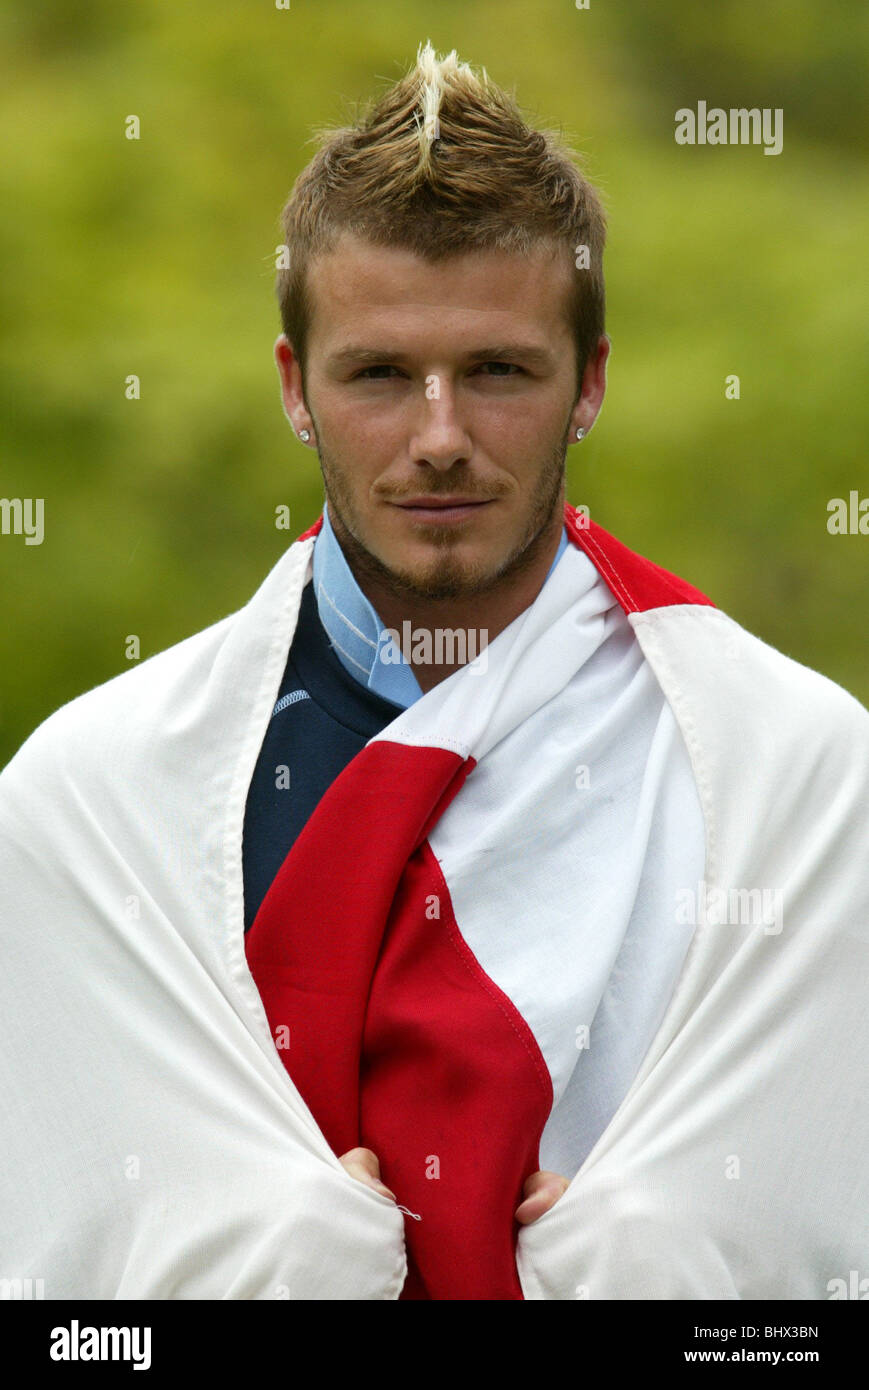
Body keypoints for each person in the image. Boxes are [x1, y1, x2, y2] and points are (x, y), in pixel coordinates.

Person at [1, 41, 867, 1302]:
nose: (440, 437)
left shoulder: (802, 772)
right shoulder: (89, 799)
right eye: (379, 376)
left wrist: (668, 1282)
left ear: (591, 383)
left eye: (499, 371)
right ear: (296, 388)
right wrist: (270, 1263)